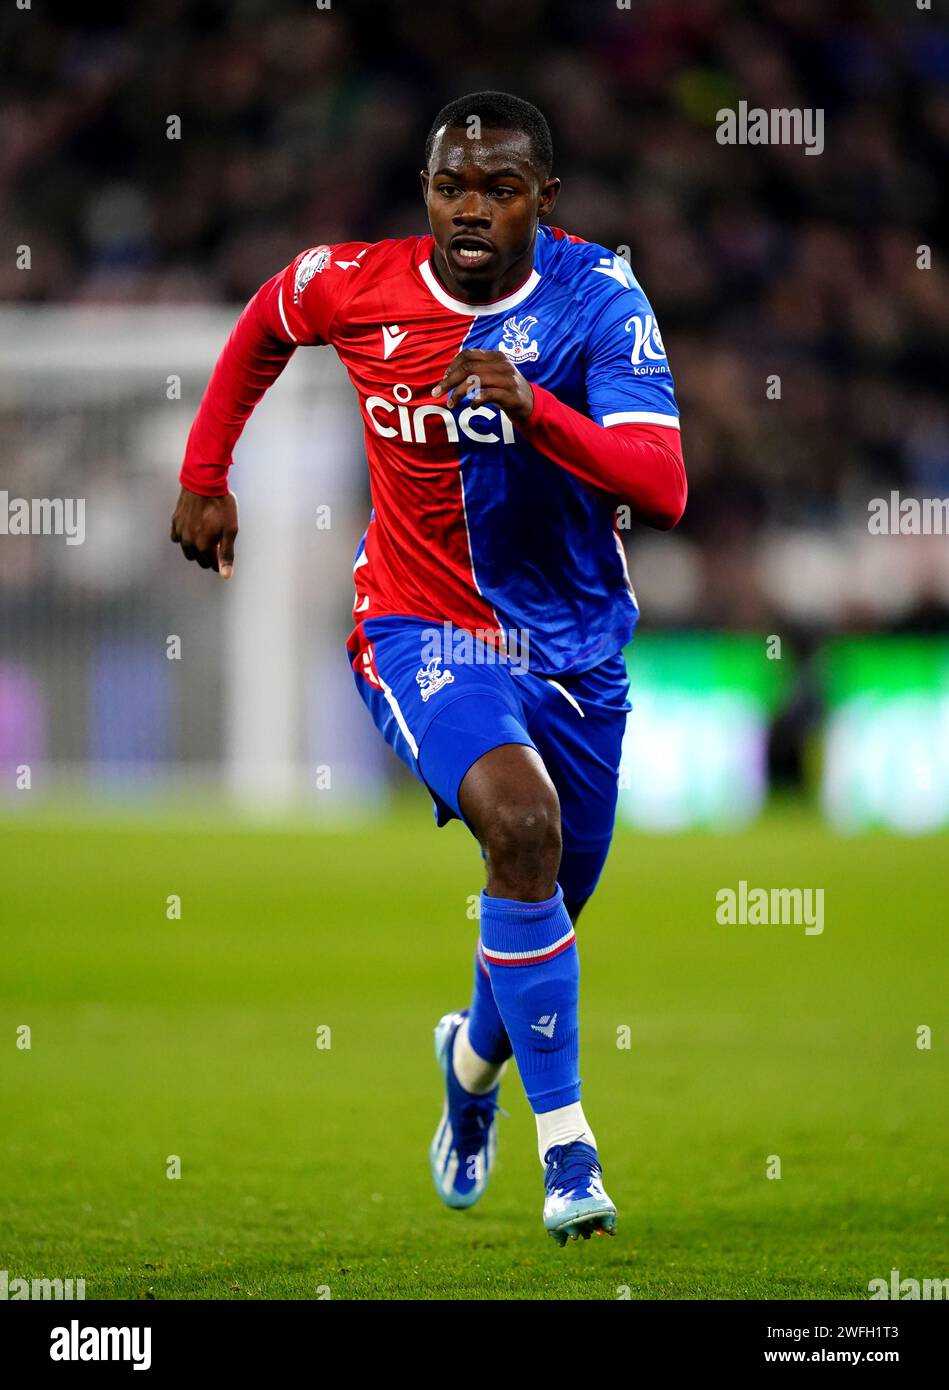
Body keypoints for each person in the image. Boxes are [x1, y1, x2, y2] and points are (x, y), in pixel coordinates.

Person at [170, 90, 686, 1245]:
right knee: (520, 826)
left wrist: (538, 410)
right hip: (419, 626)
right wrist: (206, 472)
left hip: (573, 649)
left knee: (544, 886)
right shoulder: (353, 285)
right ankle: (569, 1153)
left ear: (543, 203)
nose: (471, 208)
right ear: (425, 193)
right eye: (452, 186)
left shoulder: (598, 300)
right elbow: (262, 320)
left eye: (500, 189)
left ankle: (466, 1064)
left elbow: (662, 486)